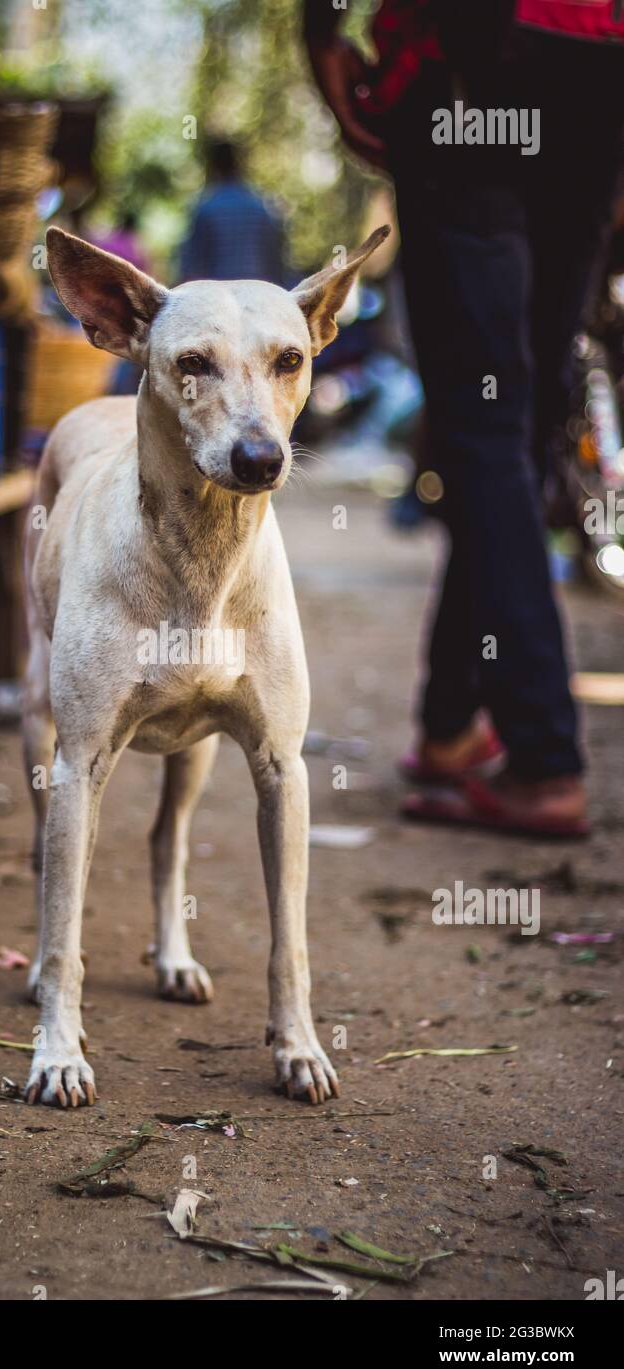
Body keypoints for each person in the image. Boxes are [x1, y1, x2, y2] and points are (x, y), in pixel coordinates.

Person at [304, 0, 624, 837]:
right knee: (508, 431)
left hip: (472, 62)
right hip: (596, 72)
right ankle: (450, 723)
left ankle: (547, 762)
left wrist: (323, 30)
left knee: (488, 430)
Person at [179, 138, 285, 285]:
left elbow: (191, 264)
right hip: (257, 292)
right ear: (238, 164)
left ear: (213, 166)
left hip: (218, 296)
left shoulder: (205, 208)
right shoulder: (259, 206)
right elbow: (274, 258)